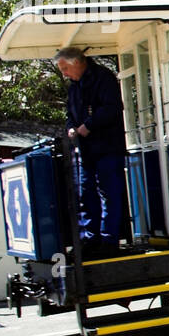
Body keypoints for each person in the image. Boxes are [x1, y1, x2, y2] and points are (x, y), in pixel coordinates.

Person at [55, 47, 127, 256]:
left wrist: (89, 125)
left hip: (107, 147)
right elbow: (70, 113)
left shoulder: (104, 78)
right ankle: (90, 238)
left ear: (77, 62)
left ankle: (109, 240)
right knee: (86, 193)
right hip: (85, 149)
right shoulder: (73, 87)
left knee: (108, 192)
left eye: (65, 68)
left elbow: (112, 108)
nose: (64, 74)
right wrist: (71, 126)